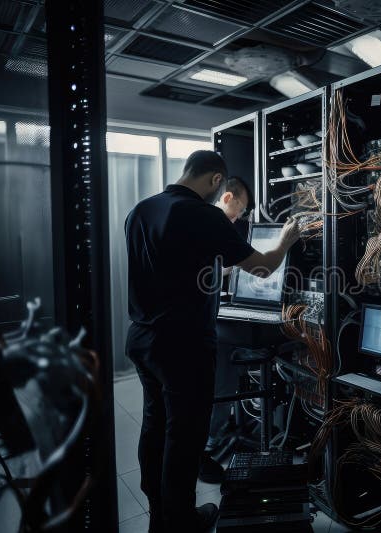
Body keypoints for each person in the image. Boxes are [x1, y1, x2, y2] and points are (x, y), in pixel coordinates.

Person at [125, 151, 299, 532]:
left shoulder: (140, 211)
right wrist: (286, 241)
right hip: (183, 347)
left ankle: (159, 515)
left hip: (143, 340)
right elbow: (263, 266)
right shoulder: (203, 215)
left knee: (155, 427)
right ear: (217, 180)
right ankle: (181, 521)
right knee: (184, 436)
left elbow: (173, 267)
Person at [199, 176, 253, 484]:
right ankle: (207, 446)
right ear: (227, 197)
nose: (238, 219)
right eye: (240, 211)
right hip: (199, 328)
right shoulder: (212, 222)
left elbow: (213, 268)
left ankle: (211, 438)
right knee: (220, 379)